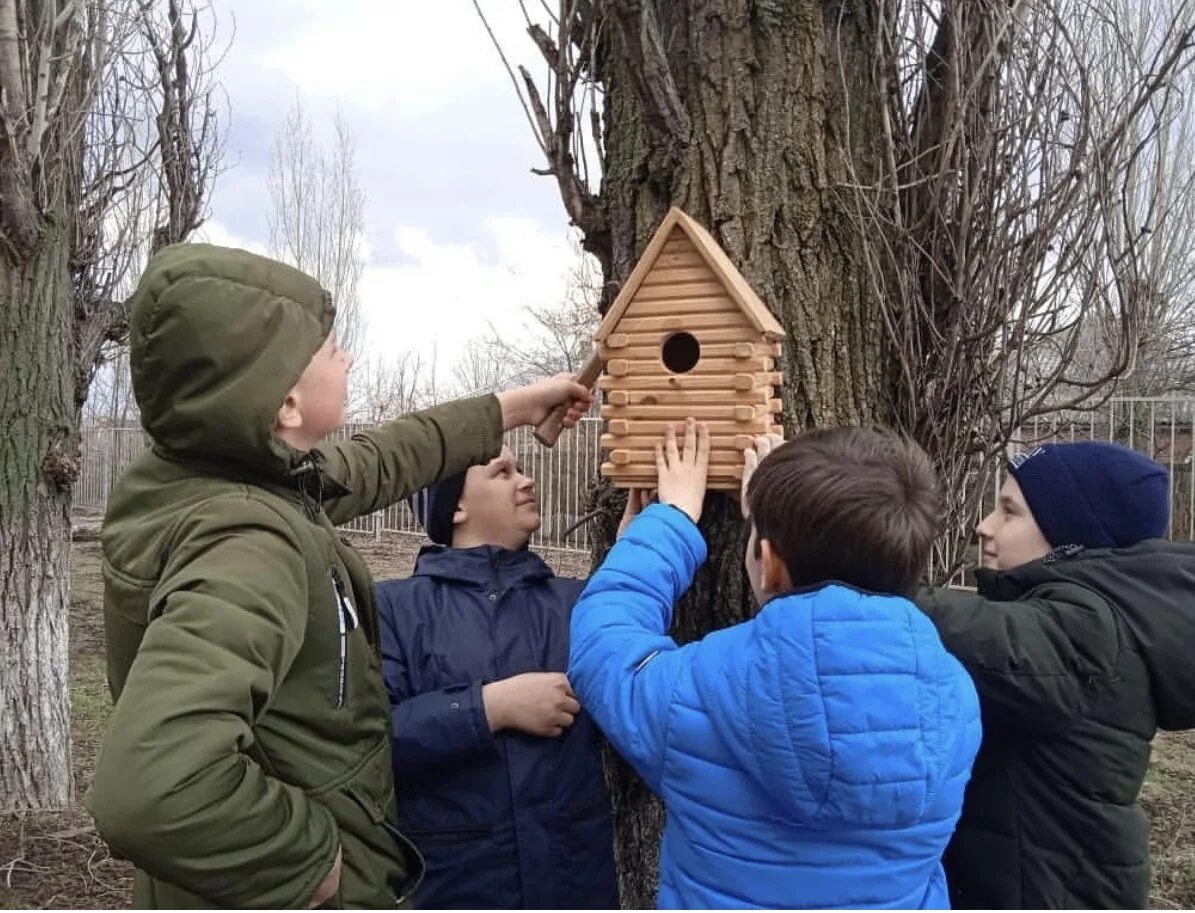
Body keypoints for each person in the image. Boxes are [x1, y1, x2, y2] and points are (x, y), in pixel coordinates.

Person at [83, 242, 591, 909]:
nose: (345, 357)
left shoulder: (217, 478)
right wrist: (306, 862)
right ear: (286, 405)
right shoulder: (248, 544)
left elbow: (376, 460)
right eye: (328, 348)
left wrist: (507, 409)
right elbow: (148, 788)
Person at [567, 421, 982, 909]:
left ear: (768, 563)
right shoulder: (954, 698)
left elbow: (603, 646)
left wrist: (670, 521)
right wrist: (779, 523)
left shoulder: (702, 690)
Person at [917, 441, 1195, 908]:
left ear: (1070, 538)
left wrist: (806, 542)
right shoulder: (1086, 620)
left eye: (1009, 511)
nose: (984, 527)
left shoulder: (1084, 633)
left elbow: (947, 628)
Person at [375, 445, 618, 909]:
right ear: (456, 507)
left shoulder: (581, 602)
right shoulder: (392, 608)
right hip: (455, 886)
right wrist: (489, 708)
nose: (526, 481)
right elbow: (372, 742)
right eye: (503, 472)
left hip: (578, 883)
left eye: (522, 470)